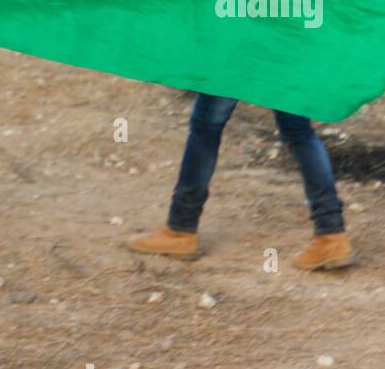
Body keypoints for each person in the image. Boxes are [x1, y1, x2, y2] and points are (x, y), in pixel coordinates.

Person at [128, 94, 352, 270]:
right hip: (287, 47)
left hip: (245, 47)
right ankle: (331, 232)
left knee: (206, 127)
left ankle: (180, 229)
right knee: (299, 132)